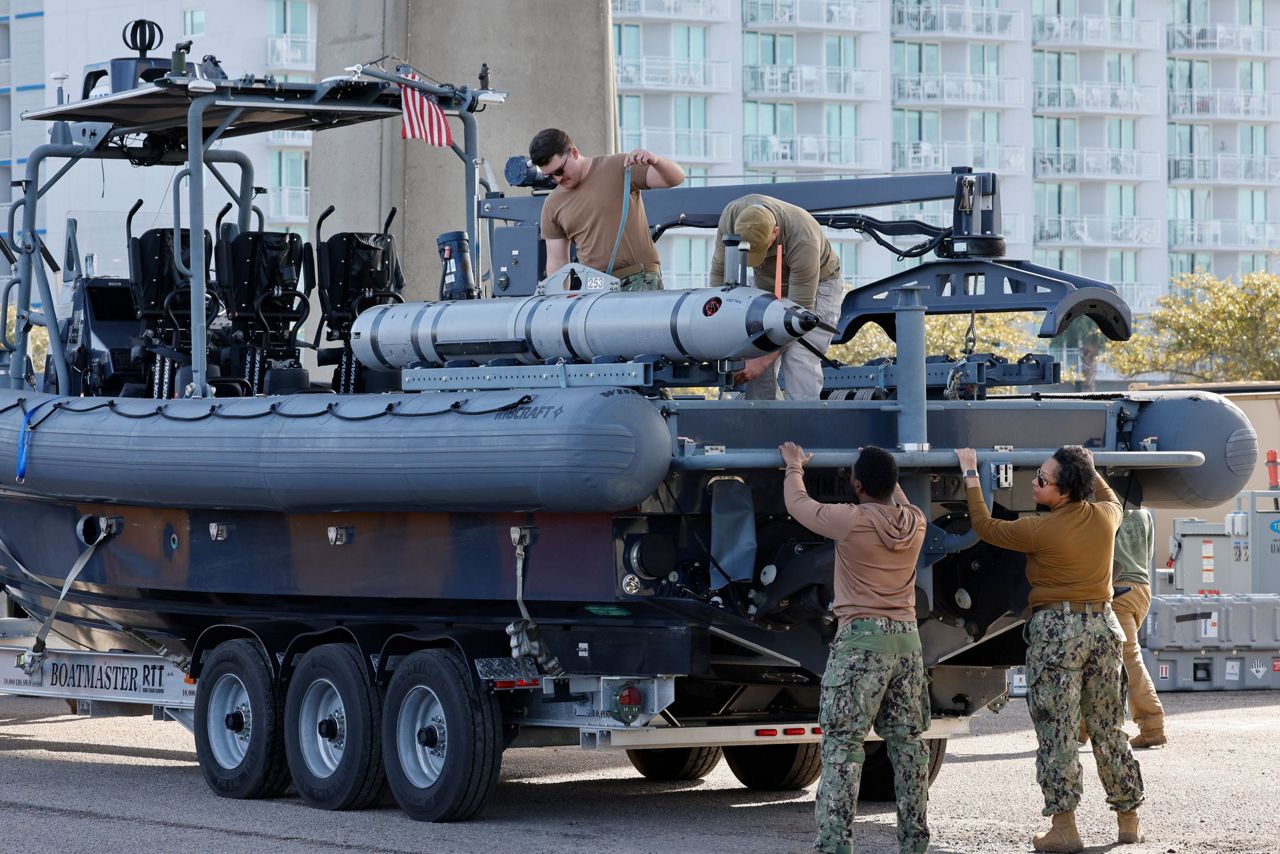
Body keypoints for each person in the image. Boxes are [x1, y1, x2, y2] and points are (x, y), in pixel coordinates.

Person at [955, 446, 1144, 852]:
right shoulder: (1107, 517)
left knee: (1057, 729)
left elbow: (983, 526)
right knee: (1108, 726)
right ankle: (1128, 819)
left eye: (1041, 479)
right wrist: (1091, 469)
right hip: (1103, 626)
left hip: (1057, 632)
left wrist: (971, 474)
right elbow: (1109, 498)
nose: (1033, 482)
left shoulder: (1038, 530)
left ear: (1061, 492)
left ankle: (1065, 828)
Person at [780, 441, 929, 854]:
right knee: (909, 746)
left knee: (843, 746)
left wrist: (794, 465)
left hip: (862, 641)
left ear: (856, 484)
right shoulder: (916, 522)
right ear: (895, 484)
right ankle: (915, 842)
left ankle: (835, 844)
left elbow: (799, 505)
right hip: (907, 641)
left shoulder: (850, 521)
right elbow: (895, 496)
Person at [709, 195, 842, 400]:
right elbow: (720, 271)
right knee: (750, 347)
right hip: (766, 285)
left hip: (814, 288)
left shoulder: (803, 237)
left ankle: (802, 424)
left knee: (799, 355)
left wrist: (762, 361)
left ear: (776, 232)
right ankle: (760, 422)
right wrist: (718, 326)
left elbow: (799, 316)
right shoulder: (731, 216)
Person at [529, 128, 685, 291]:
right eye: (550, 176)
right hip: (594, 288)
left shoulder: (618, 166)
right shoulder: (552, 203)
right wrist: (557, 302)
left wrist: (656, 161)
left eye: (560, 170)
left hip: (639, 279)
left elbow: (676, 178)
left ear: (574, 153)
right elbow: (557, 264)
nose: (558, 179)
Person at [1112, 508, 1167, 748]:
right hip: (1141, 589)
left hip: (1117, 589)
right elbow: (1149, 552)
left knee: (1129, 659)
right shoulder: (1145, 513)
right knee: (1101, 657)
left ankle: (1152, 725)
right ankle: (1082, 729)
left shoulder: (1104, 508)